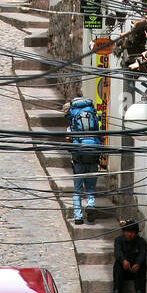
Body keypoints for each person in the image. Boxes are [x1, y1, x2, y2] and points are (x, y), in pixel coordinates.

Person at [66, 96, 101, 225]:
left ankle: (78, 217)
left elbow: (68, 139)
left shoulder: (73, 125)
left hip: (78, 160)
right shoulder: (93, 119)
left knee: (77, 190)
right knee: (91, 187)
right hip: (93, 157)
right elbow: (100, 136)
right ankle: (90, 205)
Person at [113, 219, 147, 293]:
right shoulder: (119, 240)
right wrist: (123, 260)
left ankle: (140, 290)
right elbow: (117, 252)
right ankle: (117, 289)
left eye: (132, 232)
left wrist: (138, 263)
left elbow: (143, 253)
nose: (130, 234)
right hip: (124, 267)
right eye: (128, 232)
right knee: (117, 265)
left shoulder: (141, 242)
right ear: (124, 232)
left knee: (142, 266)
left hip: (135, 268)